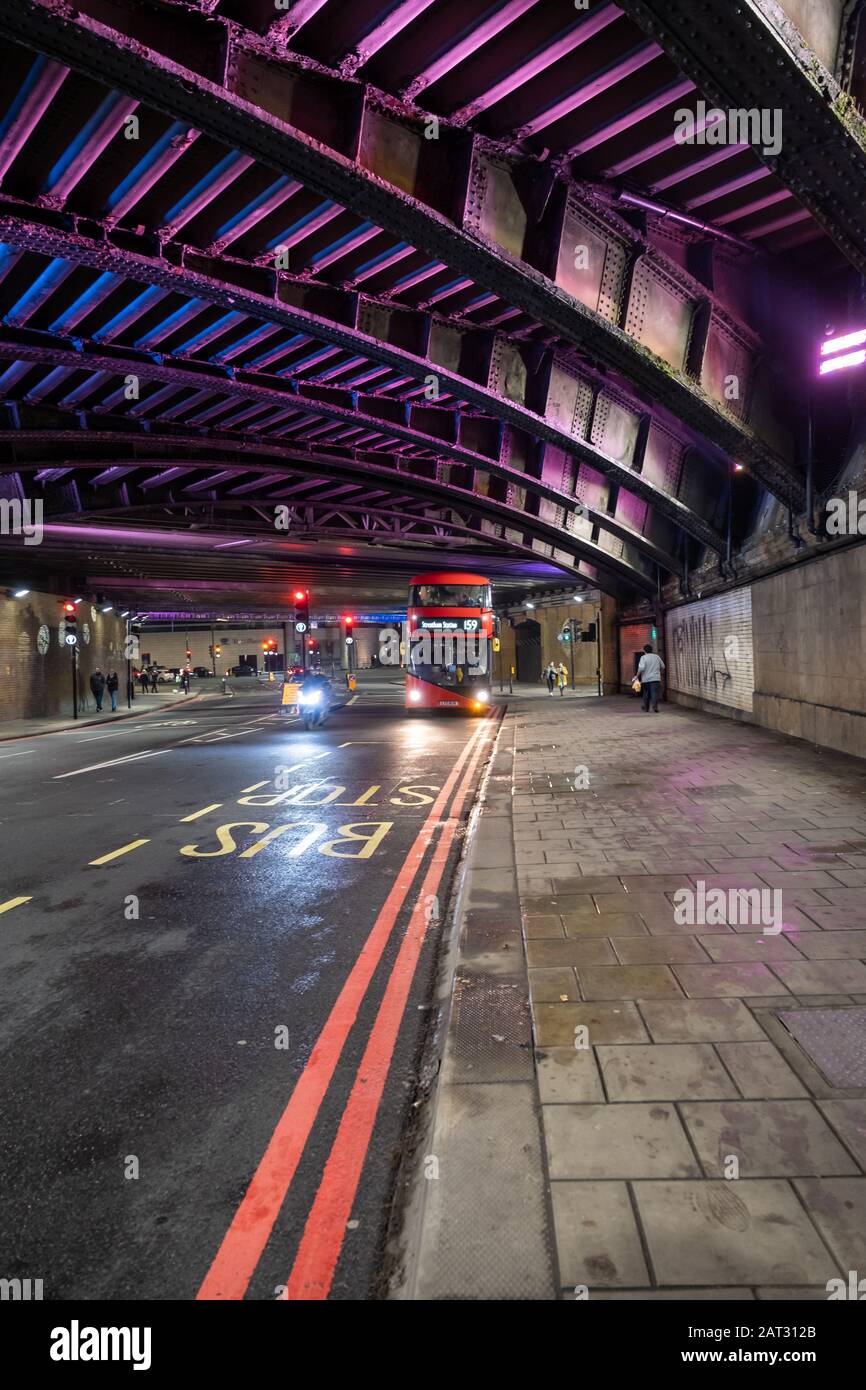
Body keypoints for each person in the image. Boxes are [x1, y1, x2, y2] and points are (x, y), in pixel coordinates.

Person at [636, 643, 665, 713]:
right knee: (654, 693)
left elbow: (641, 668)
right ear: (652, 650)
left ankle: (646, 708)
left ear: (644, 651)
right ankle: (655, 706)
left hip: (646, 679)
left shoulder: (643, 658)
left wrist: (637, 675)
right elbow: (663, 666)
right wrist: (658, 672)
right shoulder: (657, 657)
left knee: (646, 693)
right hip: (655, 678)